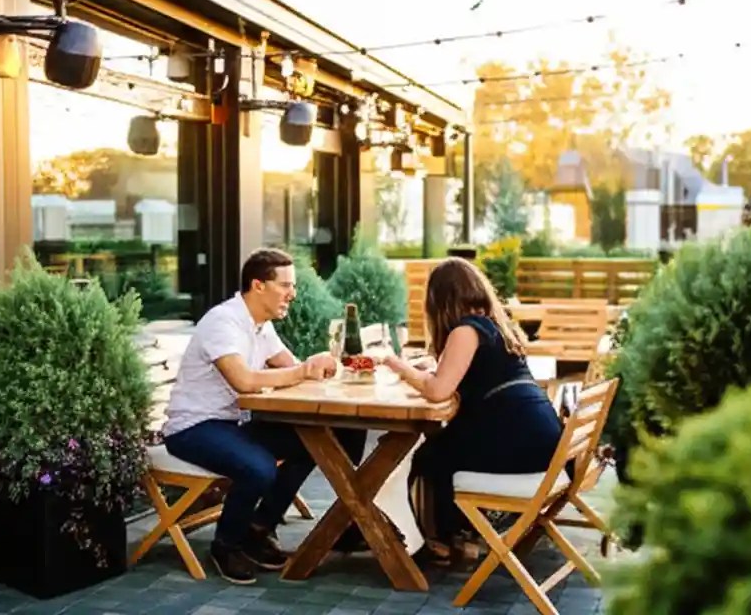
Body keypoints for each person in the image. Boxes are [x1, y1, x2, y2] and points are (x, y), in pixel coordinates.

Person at [161, 248, 367, 584]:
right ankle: (225, 545)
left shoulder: (261, 325)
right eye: (285, 285)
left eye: (293, 285)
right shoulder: (223, 321)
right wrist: (304, 371)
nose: (293, 293)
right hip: (194, 428)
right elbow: (243, 380)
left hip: (235, 424)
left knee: (319, 441)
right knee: (258, 467)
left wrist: (324, 368)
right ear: (258, 286)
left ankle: (258, 528)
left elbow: (291, 367)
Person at [381, 257, 563, 565]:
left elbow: (438, 390)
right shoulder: (493, 325)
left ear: (440, 300)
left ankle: (444, 539)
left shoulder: (465, 330)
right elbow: (462, 373)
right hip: (543, 442)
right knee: (436, 448)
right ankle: (455, 533)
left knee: (428, 454)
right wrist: (431, 369)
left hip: (524, 450)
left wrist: (394, 363)